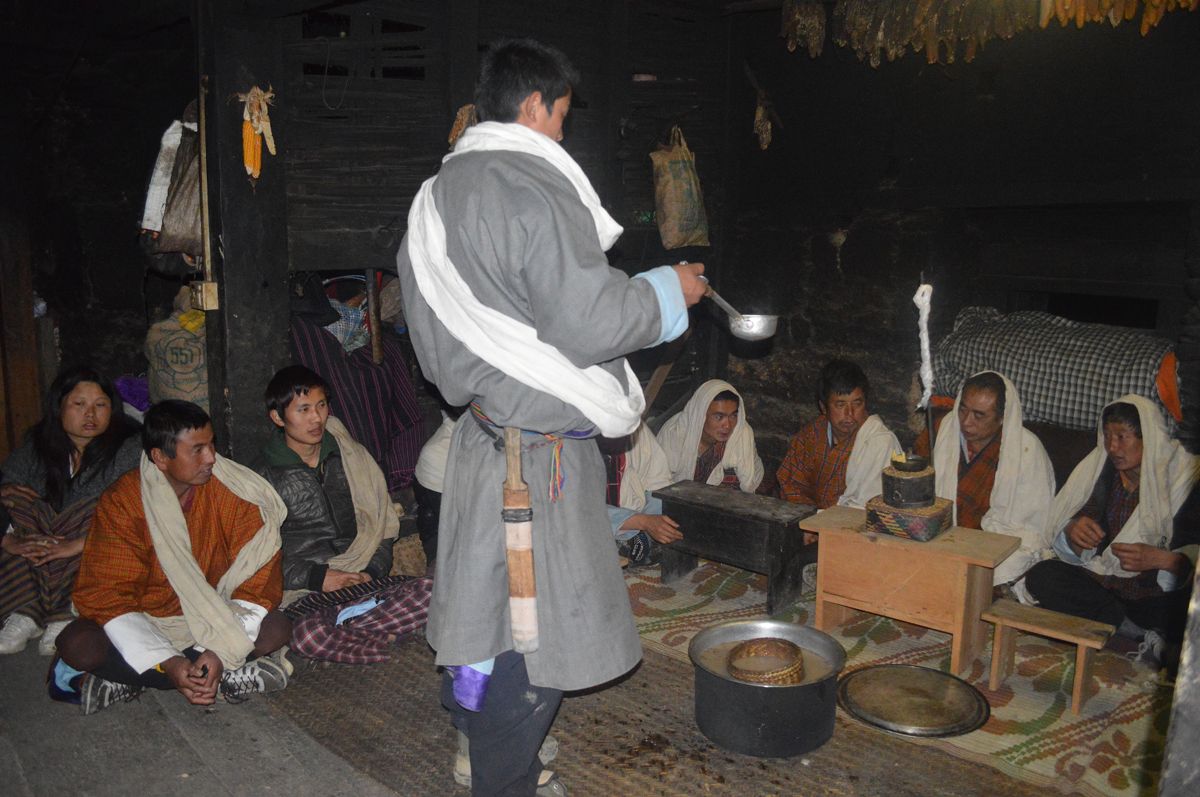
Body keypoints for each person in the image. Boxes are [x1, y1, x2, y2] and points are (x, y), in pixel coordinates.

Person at [396, 38, 706, 797]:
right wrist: (670, 291)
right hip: (536, 470)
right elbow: (588, 319)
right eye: (562, 117)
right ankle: (503, 779)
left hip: (480, 442)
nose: (563, 134)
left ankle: (472, 744)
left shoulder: (434, 199)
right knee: (534, 645)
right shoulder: (530, 185)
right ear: (534, 106)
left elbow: (444, 347)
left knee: (477, 619)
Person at [49, 400, 291, 714]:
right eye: (198, 450)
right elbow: (107, 593)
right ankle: (216, 674)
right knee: (78, 645)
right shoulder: (124, 502)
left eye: (212, 445)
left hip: (214, 617)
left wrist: (216, 652)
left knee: (277, 626)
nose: (212, 458)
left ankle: (140, 678)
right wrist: (171, 661)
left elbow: (258, 583)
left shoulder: (234, 492)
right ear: (160, 457)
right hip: (145, 621)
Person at [257, 366, 432, 664]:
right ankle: (383, 634)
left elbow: (381, 526)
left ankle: (357, 630)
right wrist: (319, 577)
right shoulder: (262, 478)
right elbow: (258, 557)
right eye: (303, 409)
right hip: (308, 591)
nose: (316, 418)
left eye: (321, 405)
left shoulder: (351, 455)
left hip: (364, 577)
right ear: (277, 417)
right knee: (306, 634)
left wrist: (371, 572)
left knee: (433, 590)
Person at [1024, 397, 1199, 670]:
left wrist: (1162, 560)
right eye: (1107, 436)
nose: (1112, 447)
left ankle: (1124, 624)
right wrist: (1072, 532)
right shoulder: (1100, 470)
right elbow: (1071, 534)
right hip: (1104, 581)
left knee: (1184, 606)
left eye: (1122, 437)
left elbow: (1194, 551)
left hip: (1153, 593)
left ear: (1148, 437)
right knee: (1042, 575)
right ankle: (1137, 631)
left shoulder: (1183, 476)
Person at [0, 366, 141, 656]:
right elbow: (10, 484)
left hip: (96, 543)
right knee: (19, 504)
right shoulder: (37, 445)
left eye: (100, 405)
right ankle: (26, 611)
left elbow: (139, 510)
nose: (90, 415)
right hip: (42, 544)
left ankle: (62, 612)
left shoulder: (130, 447)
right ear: (59, 406)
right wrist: (12, 534)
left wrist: (76, 544)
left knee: (98, 507)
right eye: (79, 404)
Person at [914, 370, 1054, 585]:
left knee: (1011, 563)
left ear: (1001, 418)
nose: (966, 422)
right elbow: (916, 485)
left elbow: (1029, 528)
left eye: (979, 415)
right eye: (962, 409)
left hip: (993, 545)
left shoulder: (1026, 449)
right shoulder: (942, 429)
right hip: (939, 537)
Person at [776, 359, 901, 510]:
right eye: (840, 404)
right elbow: (791, 483)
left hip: (852, 527)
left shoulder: (879, 442)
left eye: (857, 403)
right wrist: (808, 521)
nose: (850, 414)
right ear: (823, 407)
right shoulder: (812, 434)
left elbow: (871, 505)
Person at [657, 379, 764, 493]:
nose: (728, 425)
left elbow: (750, 482)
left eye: (733, 416)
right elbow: (659, 480)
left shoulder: (742, 433)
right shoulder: (674, 432)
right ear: (700, 415)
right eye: (718, 417)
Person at [599, 421, 678, 567]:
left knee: (676, 530)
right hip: (588, 525)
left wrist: (655, 522)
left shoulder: (635, 428)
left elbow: (658, 484)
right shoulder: (569, 441)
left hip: (637, 519)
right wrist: (643, 522)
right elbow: (574, 508)